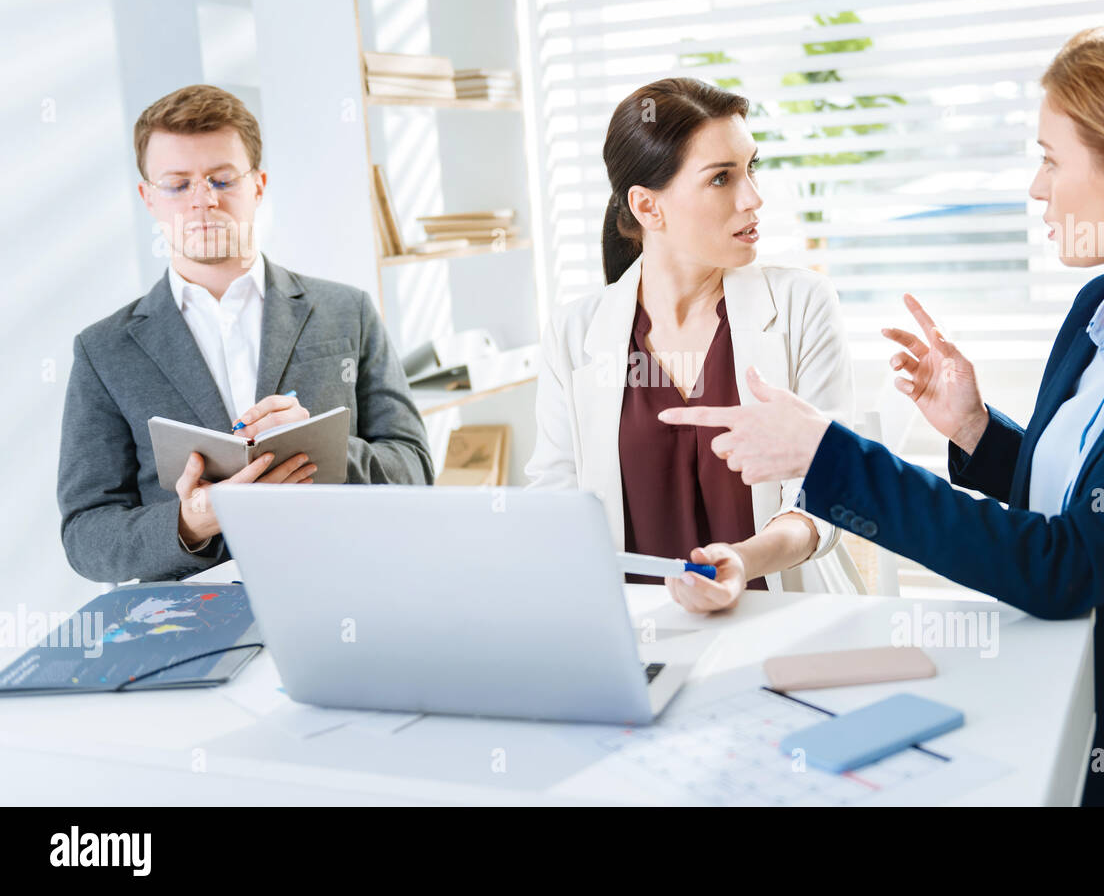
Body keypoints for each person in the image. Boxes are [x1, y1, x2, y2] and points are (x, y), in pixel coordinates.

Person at [659, 18, 1104, 805]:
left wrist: (828, 454)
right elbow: (1103, 496)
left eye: (1050, 160)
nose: (1036, 188)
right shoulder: (1101, 304)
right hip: (1069, 723)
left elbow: (1071, 564)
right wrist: (978, 433)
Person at [58, 85, 434, 584]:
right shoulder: (103, 351)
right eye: (177, 184)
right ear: (148, 197)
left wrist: (323, 451)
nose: (204, 201)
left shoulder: (347, 311)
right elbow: (85, 533)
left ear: (257, 185)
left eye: (221, 179)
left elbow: (416, 471)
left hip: (348, 587)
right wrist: (190, 523)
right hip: (194, 622)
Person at [527, 77, 854, 613]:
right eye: (722, 178)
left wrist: (743, 561)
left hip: (780, 621)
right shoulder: (573, 334)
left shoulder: (803, 304)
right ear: (648, 208)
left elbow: (828, 495)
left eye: (751, 168)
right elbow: (555, 502)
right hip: (635, 633)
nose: (753, 197)